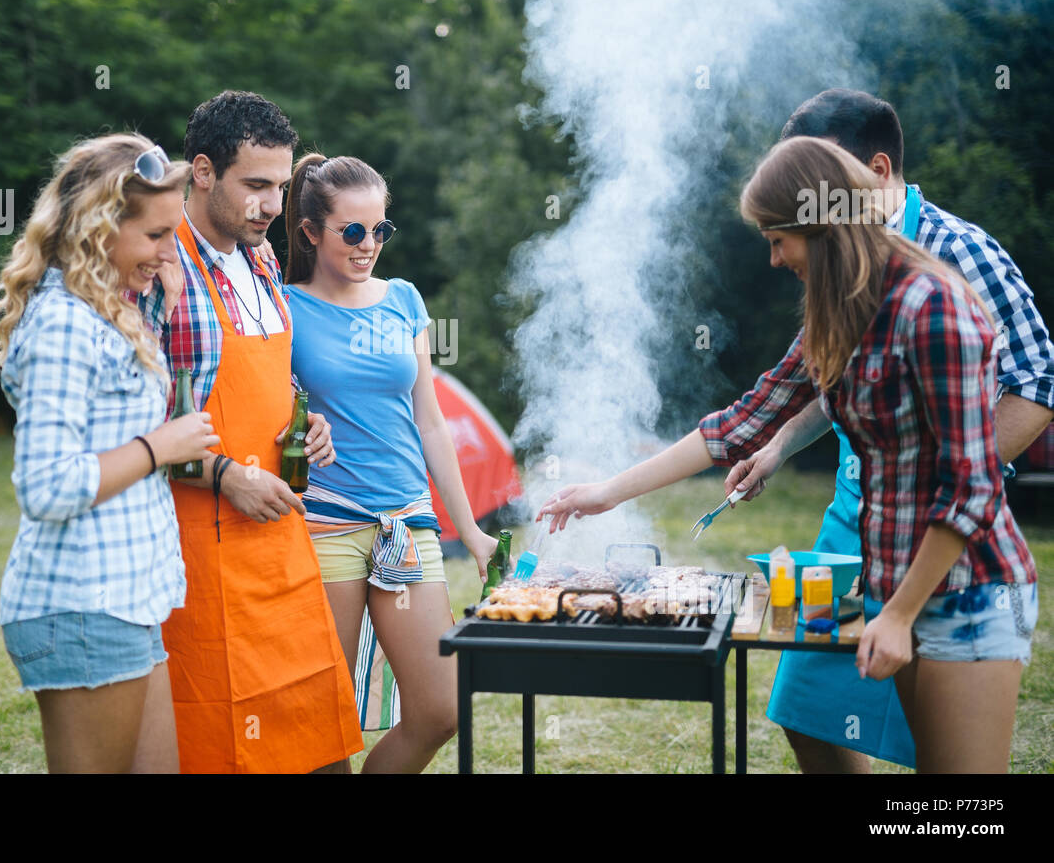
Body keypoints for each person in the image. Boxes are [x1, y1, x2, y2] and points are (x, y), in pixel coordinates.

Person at [540, 136, 1039, 773]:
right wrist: (604, 494)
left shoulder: (931, 306)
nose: (774, 259)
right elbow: (742, 423)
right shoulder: (842, 312)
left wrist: (901, 613)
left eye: (779, 239)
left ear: (823, 225)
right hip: (897, 592)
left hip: (966, 590)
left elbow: (970, 484)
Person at [717, 90, 1052, 772]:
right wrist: (778, 445)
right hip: (859, 522)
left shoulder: (955, 254)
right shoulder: (840, 258)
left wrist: (959, 481)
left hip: (948, 534)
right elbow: (829, 377)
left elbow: (1038, 384)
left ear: (874, 168)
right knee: (809, 713)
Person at [138, 91, 363, 773]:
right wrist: (227, 476)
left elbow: (271, 380)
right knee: (222, 745)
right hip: (198, 549)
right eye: (256, 186)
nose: (273, 205)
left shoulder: (261, 260)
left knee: (319, 745)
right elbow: (133, 423)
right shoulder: (157, 266)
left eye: (279, 185)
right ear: (201, 172)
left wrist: (306, 418)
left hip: (282, 541)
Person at [0, 133, 219, 773]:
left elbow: (130, 414)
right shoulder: (64, 323)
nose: (169, 252)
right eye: (155, 236)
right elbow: (46, 486)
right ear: (99, 227)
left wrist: (160, 308)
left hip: (128, 599)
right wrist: (158, 447)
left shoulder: (114, 311)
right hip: (83, 601)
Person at [282, 152, 498, 773]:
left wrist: (472, 529)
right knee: (325, 725)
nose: (368, 244)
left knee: (442, 707)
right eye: (353, 231)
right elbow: (274, 417)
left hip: (408, 522)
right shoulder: (285, 307)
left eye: (380, 230)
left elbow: (430, 421)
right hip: (326, 523)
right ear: (311, 231)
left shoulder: (403, 299)